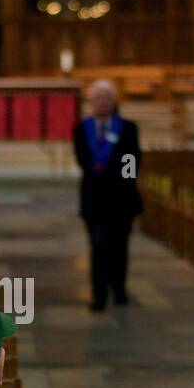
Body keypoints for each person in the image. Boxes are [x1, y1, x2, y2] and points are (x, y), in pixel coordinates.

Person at [73, 79, 143, 310]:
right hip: (94, 198)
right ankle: (99, 293)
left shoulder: (128, 127)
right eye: (98, 99)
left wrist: (117, 174)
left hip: (122, 197)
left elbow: (133, 161)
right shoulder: (82, 129)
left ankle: (119, 288)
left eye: (107, 98)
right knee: (98, 246)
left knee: (120, 247)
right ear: (91, 103)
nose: (102, 103)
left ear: (114, 102)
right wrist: (107, 168)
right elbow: (84, 160)